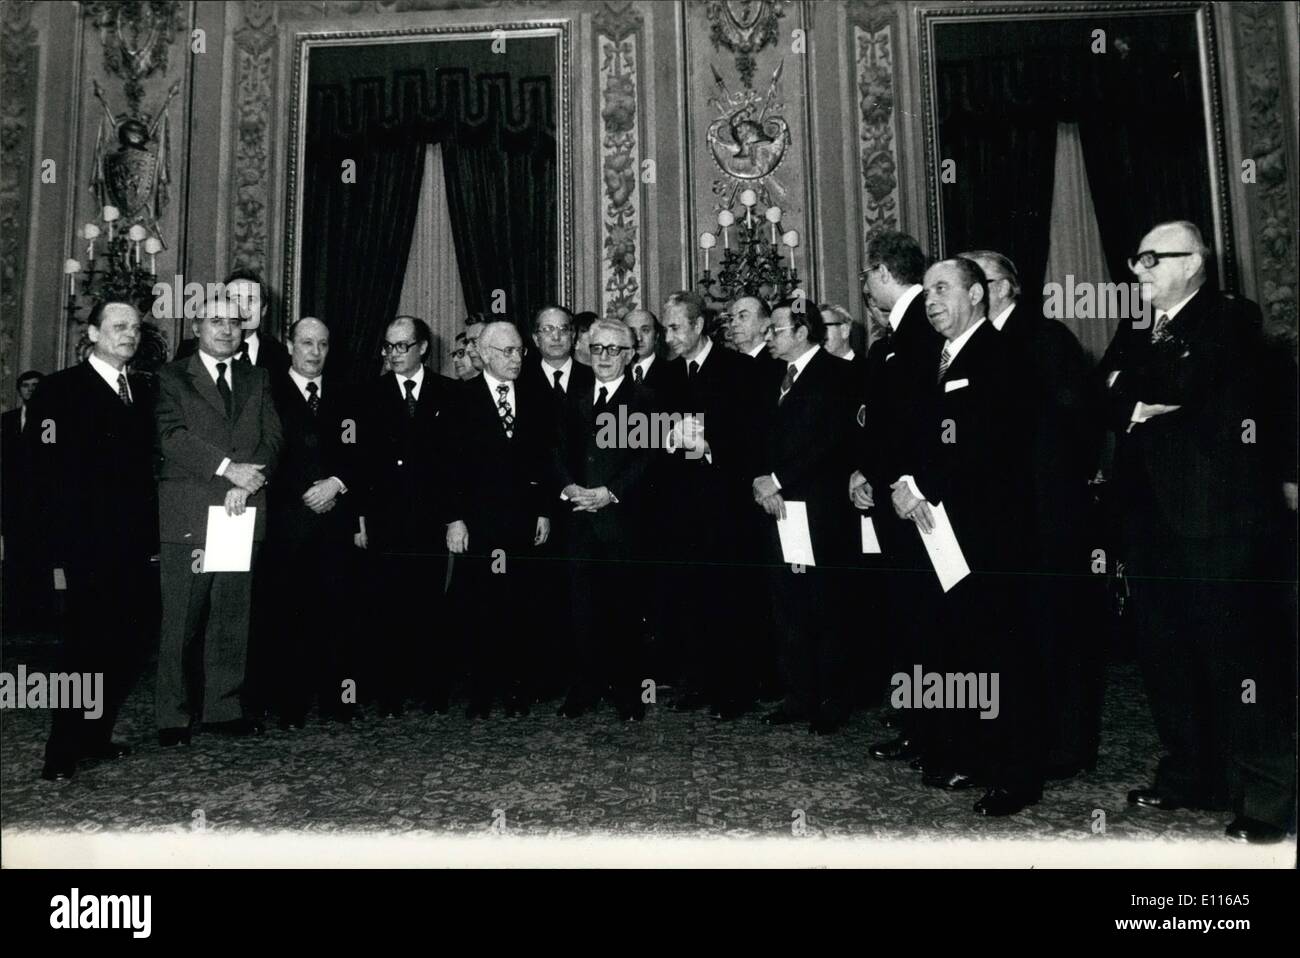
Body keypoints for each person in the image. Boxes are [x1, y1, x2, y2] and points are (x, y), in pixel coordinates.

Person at [1099, 220, 1288, 843]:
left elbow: (1182, 384)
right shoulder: (1135, 327)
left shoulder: (1231, 318)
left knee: (1237, 657)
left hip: (1216, 518)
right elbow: (1099, 394)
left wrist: (1137, 394)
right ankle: (1191, 774)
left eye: (1153, 258)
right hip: (1149, 517)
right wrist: (1137, 399)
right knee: (1165, 653)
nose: (1139, 270)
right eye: (1138, 257)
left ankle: (1265, 797)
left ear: (1194, 262)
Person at [891, 257, 1039, 816]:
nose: (931, 300)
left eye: (943, 288)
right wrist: (905, 482)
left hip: (988, 534)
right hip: (938, 530)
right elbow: (918, 433)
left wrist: (921, 484)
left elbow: (985, 441)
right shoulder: (935, 359)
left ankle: (1017, 774)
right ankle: (974, 754)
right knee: (959, 648)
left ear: (978, 294)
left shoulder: (1000, 354)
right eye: (926, 290)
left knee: (1002, 653)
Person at [962, 249, 1104, 779]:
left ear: (1001, 287)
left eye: (976, 279)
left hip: (1047, 514)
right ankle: (1024, 736)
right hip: (1000, 519)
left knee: (1058, 630)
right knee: (1014, 633)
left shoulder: (1043, 336)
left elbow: (1076, 421)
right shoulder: (973, 347)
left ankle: (1069, 747)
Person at [28, 302, 156, 780]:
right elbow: (40, 473)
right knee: (83, 646)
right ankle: (60, 750)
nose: (130, 335)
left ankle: (95, 735)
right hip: (88, 546)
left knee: (128, 642)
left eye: (135, 328)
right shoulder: (59, 391)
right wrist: (57, 548)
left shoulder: (142, 389)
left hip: (137, 545)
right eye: (119, 327)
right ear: (93, 332)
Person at [155, 291, 283, 745]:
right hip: (189, 512)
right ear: (196, 328)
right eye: (215, 321)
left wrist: (246, 481)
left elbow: (272, 437)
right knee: (181, 620)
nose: (226, 329)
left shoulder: (259, 377)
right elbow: (172, 437)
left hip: (240, 508)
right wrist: (229, 470)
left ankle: (222, 709)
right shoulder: (170, 377)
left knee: (231, 615)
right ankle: (171, 716)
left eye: (234, 321)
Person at [849, 230, 944, 763]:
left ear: (884, 272)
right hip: (890, 491)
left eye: (867, 274)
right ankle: (917, 726)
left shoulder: (916, 332)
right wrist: (865, 468)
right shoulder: (896, 335)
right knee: (906, 617)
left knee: (921, 618)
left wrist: (889, 474)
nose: (866, 284)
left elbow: (913, 422)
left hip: (911, 498)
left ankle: (930, 733)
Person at [753, 298, 859, 735]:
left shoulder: (839, 375)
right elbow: (757, 436)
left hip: (819, 509)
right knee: (787, 606)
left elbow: (831, 443)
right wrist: (762, 481)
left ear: (802, 331)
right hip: (776, 508)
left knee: (826, 606)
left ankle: (832, 701)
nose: (768, 337)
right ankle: (797, 696)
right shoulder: (772, 377)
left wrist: (779, 480)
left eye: (776, 329)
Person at [658, 291, 762, 719]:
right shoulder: (663, 377)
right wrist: (668, 438)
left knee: (728, 599)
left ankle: (733, 691)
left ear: (699, 325)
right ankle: (694, 682)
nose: (668, 336)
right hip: (681, 511)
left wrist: (709, 445)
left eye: (675, 327)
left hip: (727, 509)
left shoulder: (740, 370)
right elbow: (648, 434)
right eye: (666, 328)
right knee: (688, 598)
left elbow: (754, 437)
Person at [445, 321, 553, 718]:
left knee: (521, 605)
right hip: (478, 524)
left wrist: (543, 510)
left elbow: (545, 459)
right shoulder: (460, 400)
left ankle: (516, 690)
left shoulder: (536, 396)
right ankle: (480, 692)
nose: (516, 359)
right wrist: (454, 520)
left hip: (523, 521)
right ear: (485, 354)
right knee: (480, 608)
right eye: (507, 352)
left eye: (520, 351)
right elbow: (449, 467)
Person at [549, 319, 654, 721]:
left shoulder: (646, 399)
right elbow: (554, 450)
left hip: (623, 523)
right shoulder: (570, 397)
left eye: (614, 350)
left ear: (630, 355)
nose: (605, 357)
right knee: (581, 610)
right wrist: (570, 488)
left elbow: (648, 459)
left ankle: (628, 693)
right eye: (598, 349)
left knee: (625, 609)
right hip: (578, 519)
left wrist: (609, 493)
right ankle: (585, 688)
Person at [261, 317, 361, 728]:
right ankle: (291, 704)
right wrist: (306, 491)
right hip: (287, 522)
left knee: (337, 613)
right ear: (290, 344)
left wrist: (336, 484)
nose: (315, 351)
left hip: (335, 523)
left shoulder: (346, 394)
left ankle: (338, 700)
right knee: (289, 614)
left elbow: (359, 451)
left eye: (322, 343)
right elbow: (262, 450)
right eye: (306, 342)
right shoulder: (267, 390)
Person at [355, 315, 456, 717]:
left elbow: (456, 464)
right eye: (389, 346)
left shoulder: (449, 394)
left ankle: (433, 689)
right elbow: (359, 463)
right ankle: (390, 692)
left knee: (431, 604)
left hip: (430, 518)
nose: (394, 354)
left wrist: (453, 517)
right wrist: (359, 519)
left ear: (423, 348)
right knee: (386, 604)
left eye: (402, 346)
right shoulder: (367, 396)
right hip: (385, 517)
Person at [175, 268, 289, 374]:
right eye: (236, 299)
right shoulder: (189, 351)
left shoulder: (280, 355)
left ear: (263, 310)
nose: (243, 308)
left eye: (251, 300)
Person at [2, 369, 47, 629]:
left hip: (41, 503)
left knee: (40, 558)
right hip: (13, 502)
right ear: (19, 390)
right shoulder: (6, 421)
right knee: (14, 557)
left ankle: (39, 614)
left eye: (36, 386)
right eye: (26, 386)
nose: (31, 390)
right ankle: (13, 612)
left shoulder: (50, 422)